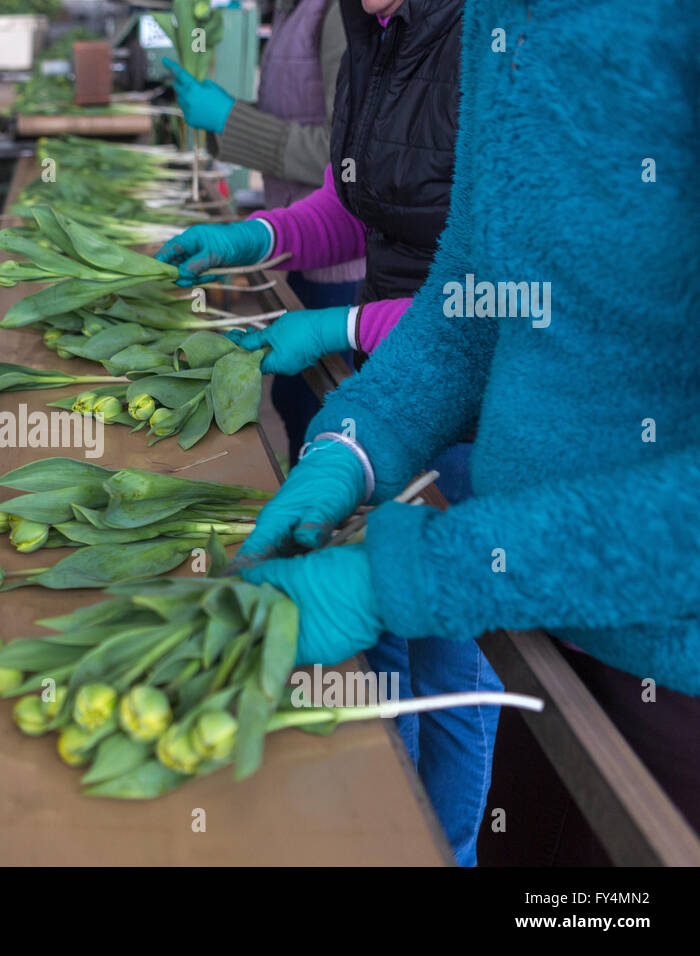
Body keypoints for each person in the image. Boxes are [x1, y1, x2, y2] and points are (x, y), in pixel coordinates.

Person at [238, 0, 700, 860]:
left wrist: (418, 575)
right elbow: (474, 293)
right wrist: (359, 437)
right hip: (539, 638)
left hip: (672, 696)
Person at [158, 0, 502, 867]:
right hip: (403, 382)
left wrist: (346, 331)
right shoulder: (377, 39)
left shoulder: (499, 47)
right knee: (382, 623)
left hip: (477, 400)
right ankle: (380, 822)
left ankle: (444, 848)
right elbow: (358, 205)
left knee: (449, 651)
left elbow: (511, 302)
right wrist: (261, 233)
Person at [163, 0, 362, 466]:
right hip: (304, 253)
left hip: (346, 281)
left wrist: (232, 120)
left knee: (328, 423)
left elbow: (344, 157)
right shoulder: (294, 10)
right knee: (296, 408)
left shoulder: (341, 12)